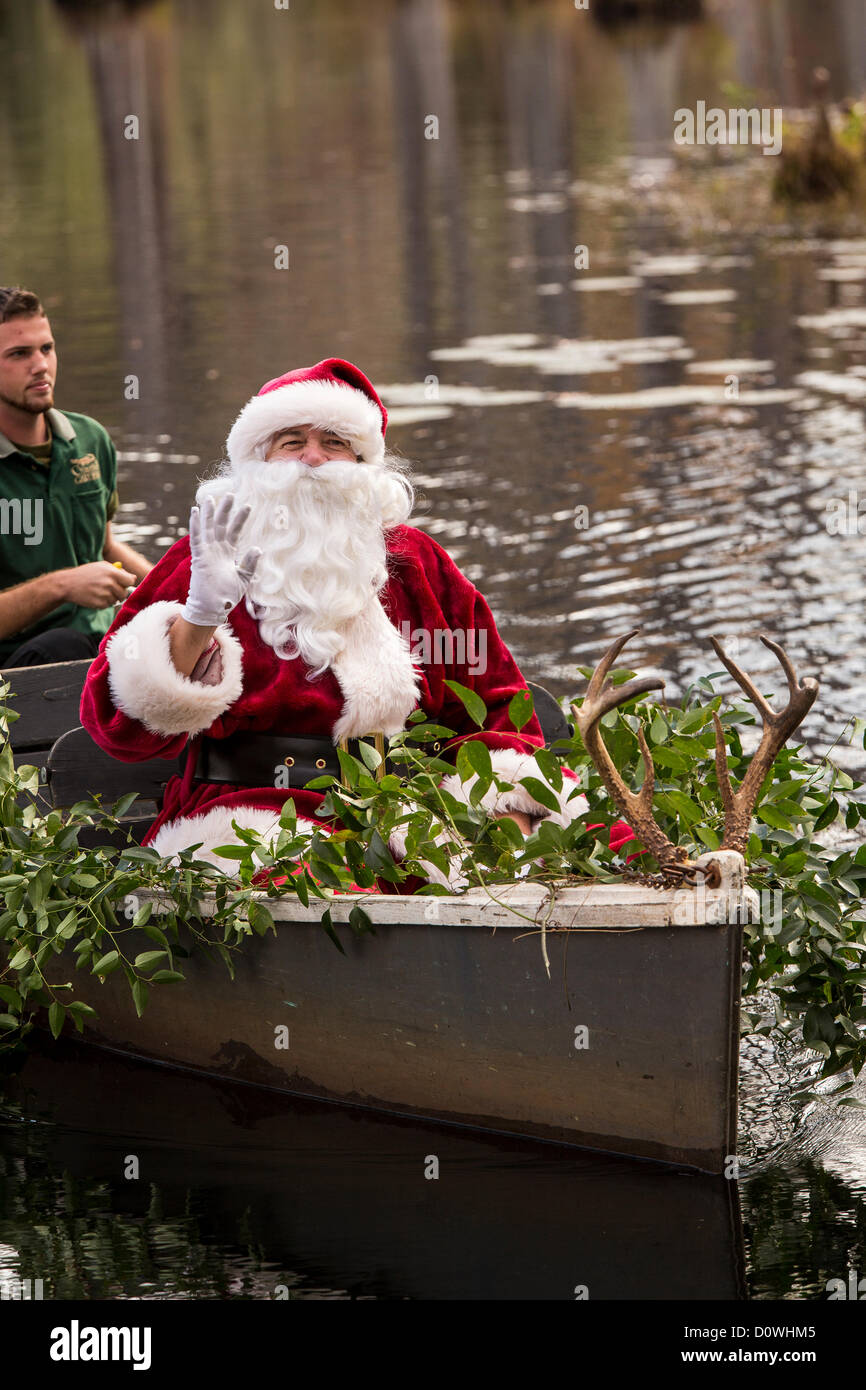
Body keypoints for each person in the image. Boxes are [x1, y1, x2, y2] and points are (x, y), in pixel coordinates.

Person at [80, 358, 635, 887]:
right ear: (258, 460)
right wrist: (200, 617)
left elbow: (496, 702)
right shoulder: (207, 554)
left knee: (611, 851)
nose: (313, 459)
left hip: (409, 810)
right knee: (320, 895)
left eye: (334, 442)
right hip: (249, 818)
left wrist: (503, 813)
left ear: (364, 464)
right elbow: (116, 728)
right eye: (291, 442)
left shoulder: (416, 562)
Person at [0, 286, 153, 668]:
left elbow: (104, 548)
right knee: (65, 645)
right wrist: (62, 586)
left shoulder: (90, 439)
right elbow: (75, 577)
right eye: (19, 354)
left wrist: (174, 591)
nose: (41, 366)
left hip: (103, 646)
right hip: (22, 676)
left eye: (46, 349)